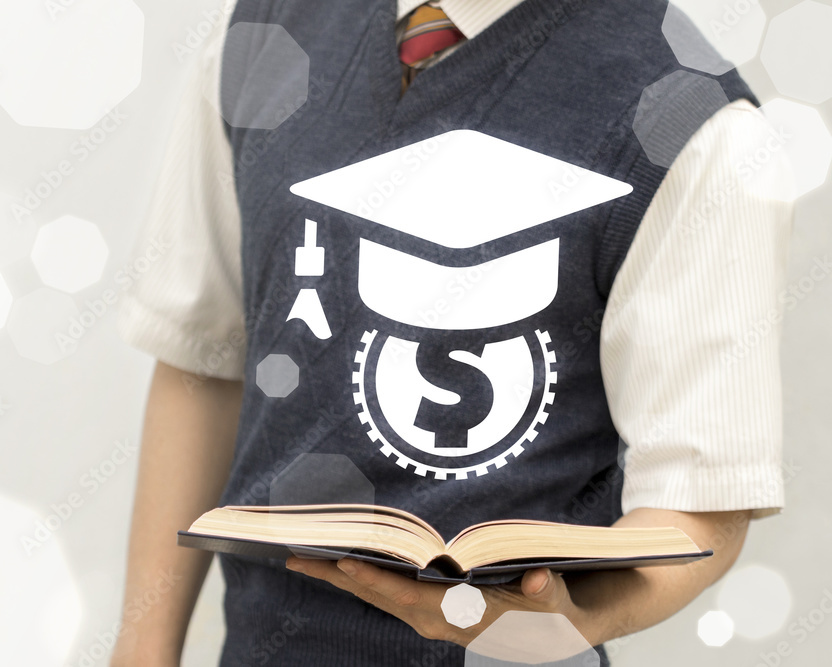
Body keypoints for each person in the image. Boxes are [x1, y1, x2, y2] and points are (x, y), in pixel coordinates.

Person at [110, 0, 792, 665]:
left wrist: (566, 621)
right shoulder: (260, 33)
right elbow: (203, 360)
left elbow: (701, 501)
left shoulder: (692, 117)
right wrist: (142, 647)